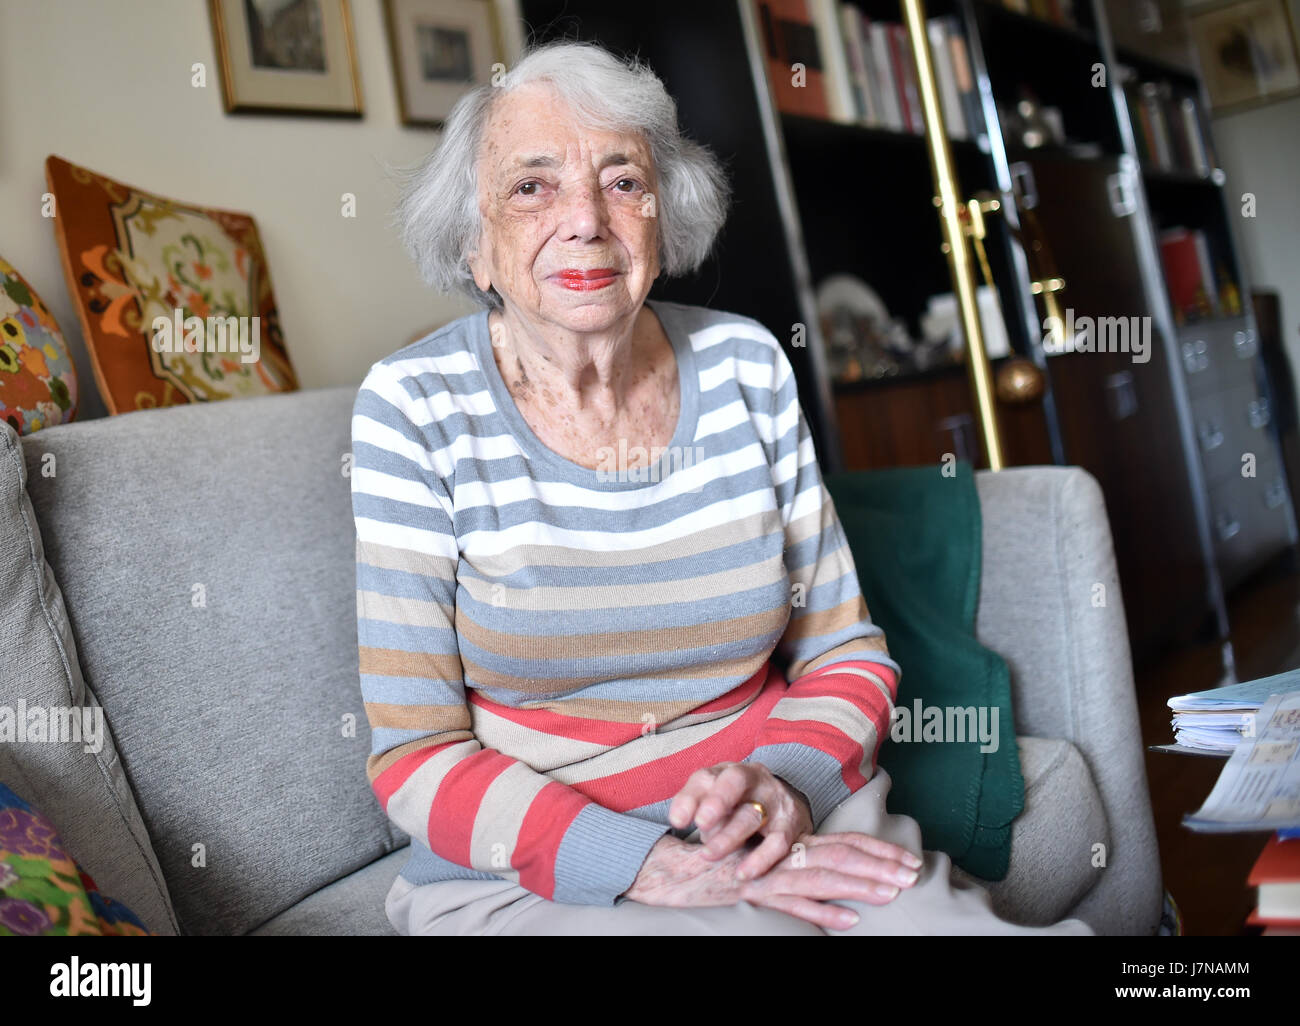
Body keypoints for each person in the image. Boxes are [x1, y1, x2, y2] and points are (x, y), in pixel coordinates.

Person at [350, 39, 1092, 936]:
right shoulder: (413, 406)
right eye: (532, 186)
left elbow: (844, 652)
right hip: (540, 866)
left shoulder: (745, 363)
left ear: (664, 220)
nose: (586, 219)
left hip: (778, 817)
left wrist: (785, 788)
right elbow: (416, 754)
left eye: (623, 181)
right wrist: (644, 863)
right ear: (475, 247)